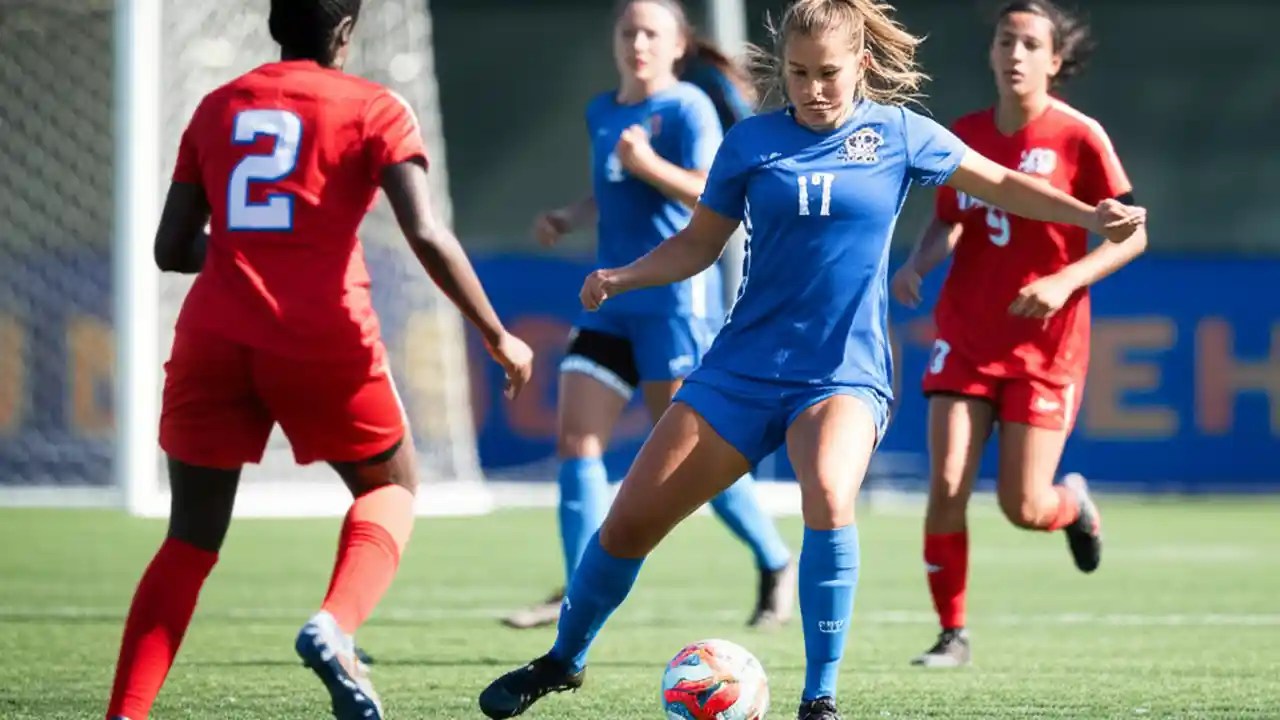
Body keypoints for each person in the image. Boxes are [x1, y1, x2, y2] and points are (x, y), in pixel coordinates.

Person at [477, 0, 1145, 718]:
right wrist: (624, 275)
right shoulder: (751, 142)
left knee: (827, 492)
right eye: (798, 73)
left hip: (842, 374)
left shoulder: (898, 133)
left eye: (828, 72)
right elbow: (701, 244)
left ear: (860, 64)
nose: (814, 88)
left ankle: (819, 699)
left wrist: (1087, 216)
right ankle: (563, 660)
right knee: (629, 525)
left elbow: (1003, 184)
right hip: (739, 369)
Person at [102, 1, 533, 719]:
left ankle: (125, 713)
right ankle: (335, 625)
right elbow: (425, 232)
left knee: (189, 538)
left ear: (275, 23)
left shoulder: (217, 106)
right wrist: (494, 331)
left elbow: (170, 249)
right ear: (345, 30)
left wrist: (247, 257)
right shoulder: (373, 107)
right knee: (391, 485)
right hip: (321, 336)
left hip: (214, 338)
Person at [501, 0, 796, 632]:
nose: (638, 42)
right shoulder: (603, 110)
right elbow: (609, 184)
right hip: (610, 305)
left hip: (675, 304)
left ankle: (775, 559)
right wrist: (571, 217)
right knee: (575, 444)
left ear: (678, 45)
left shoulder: (687, 108)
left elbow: (710, 191)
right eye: (628, 31)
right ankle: (578, 589)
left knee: (693, 458)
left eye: (651, 33)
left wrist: (648, 164)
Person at [891, 0, 1147, 669]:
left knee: (1024, 505)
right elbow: (949, 215)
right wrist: (919, 262)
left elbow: (1131, 232)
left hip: (1045, 346)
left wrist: (1065, 282)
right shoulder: (967, 133)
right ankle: (952, 634)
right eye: (1006, 41)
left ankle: (1073, 505)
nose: (1015, 54)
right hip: (967, 334)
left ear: (1055, 61)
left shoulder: (1079, 137)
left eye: (1031, 44)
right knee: (946, 480)